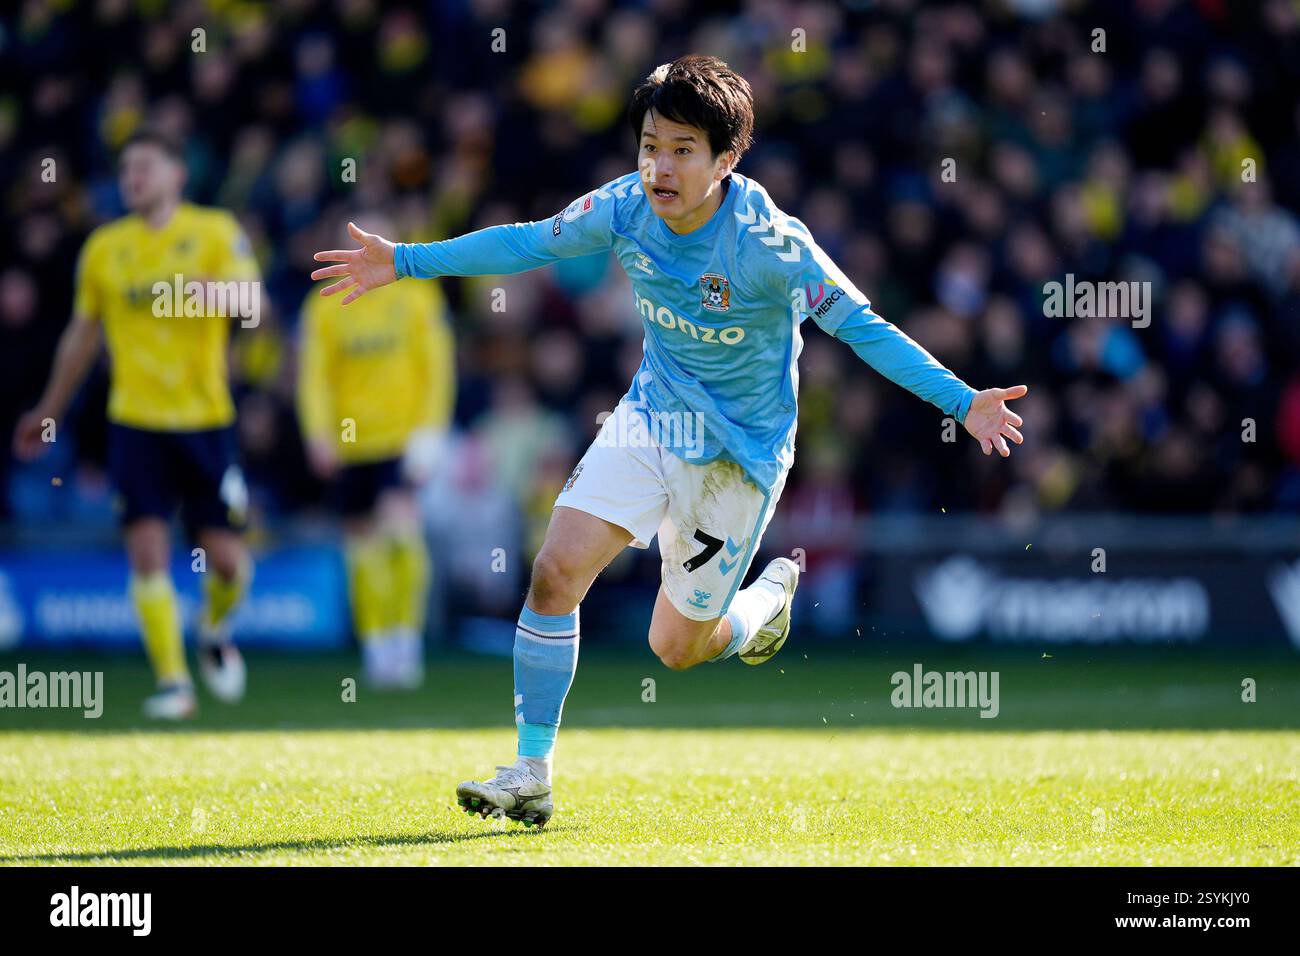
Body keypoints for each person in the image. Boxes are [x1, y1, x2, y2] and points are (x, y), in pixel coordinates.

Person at [310, 56, 1026, 826]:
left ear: (726, 160)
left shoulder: (770, 245)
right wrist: (406, 262)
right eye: (651, 144)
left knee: (675, 647)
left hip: (738, 460)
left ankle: (758, 611)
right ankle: (530, 770)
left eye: (683, 149)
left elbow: (863, 328)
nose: (659, 165)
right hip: (654, 416)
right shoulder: (624, 205)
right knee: (554, 573)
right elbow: (527, 243)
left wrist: (963, 400)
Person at [13, 128, 258, 720]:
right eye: (126, 169)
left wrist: (222, 295)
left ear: (178, 174)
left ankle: (212, 626)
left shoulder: (215, 232)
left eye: (146, 166)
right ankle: (175, 684)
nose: (133, 178)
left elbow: (257, 305)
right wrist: (48, 408)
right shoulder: (105, 247)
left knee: (227, 562)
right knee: (145, 548)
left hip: (205, 421)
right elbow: (82, 333)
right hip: (135, 422)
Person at [296, 212, 454, 689]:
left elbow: (438, 368)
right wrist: (317, 433)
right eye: (352, 241)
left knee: (401, 534)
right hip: (350, 444)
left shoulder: (416, 294)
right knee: (361, 547)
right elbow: (314, 375)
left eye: (371, 240)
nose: (363, 249)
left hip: (401, 439)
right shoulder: (324, 303)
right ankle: (375, 642)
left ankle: (405, 638)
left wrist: (430, 432)